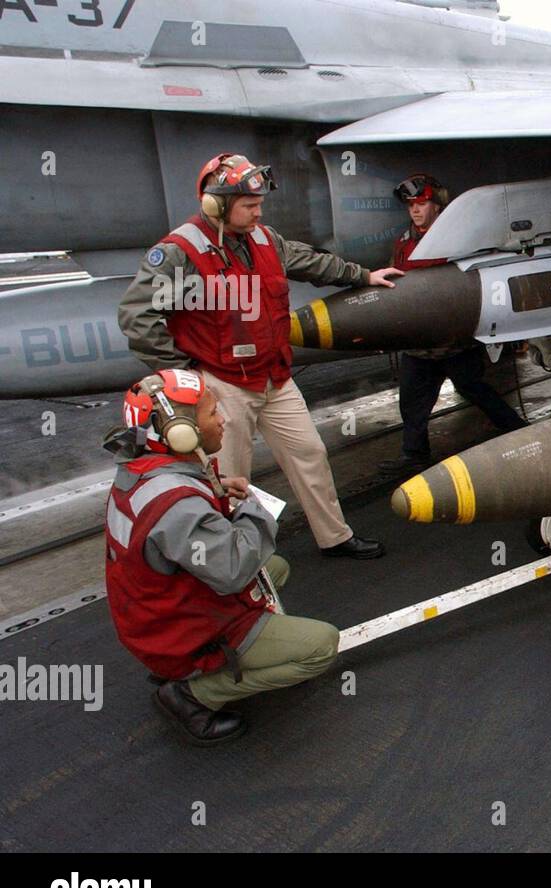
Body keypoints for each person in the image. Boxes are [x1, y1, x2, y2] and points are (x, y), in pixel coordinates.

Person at [117, 153, 399, 559]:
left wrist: (363, 276)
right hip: (222, 384)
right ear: (216, 204)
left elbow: (309, 262)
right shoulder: (182, 251)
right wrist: (184, 376)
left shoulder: (264, 239)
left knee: (311, 456)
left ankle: (335, 537)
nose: (258, 212)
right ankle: (236, 561)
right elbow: (136, 315)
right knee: (231, 479)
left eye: (259, 204)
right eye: (249, 205)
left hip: (275, 378)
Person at [104, 369, 339, 745]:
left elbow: (175, 527)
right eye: (212, 413)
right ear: (180, 431)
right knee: (321, 647)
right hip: (179, 632)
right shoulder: (176, 505)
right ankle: (191, 695)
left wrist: (213, 490)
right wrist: (253, 509)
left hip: (150, 616)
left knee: (274, 569)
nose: (223, 419)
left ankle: (193, 669)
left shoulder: (142, 468)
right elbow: (233, 569)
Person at [378, 173, 527, 478]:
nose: (415, 210)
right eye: (411, 205)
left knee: (474, 389)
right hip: (420, 344)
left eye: (421, 203)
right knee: (412, 402)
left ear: (436, 205)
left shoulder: (457, 239)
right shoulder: (403, 244)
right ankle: (415, 456)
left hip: (454, 340)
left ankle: (519, 434)